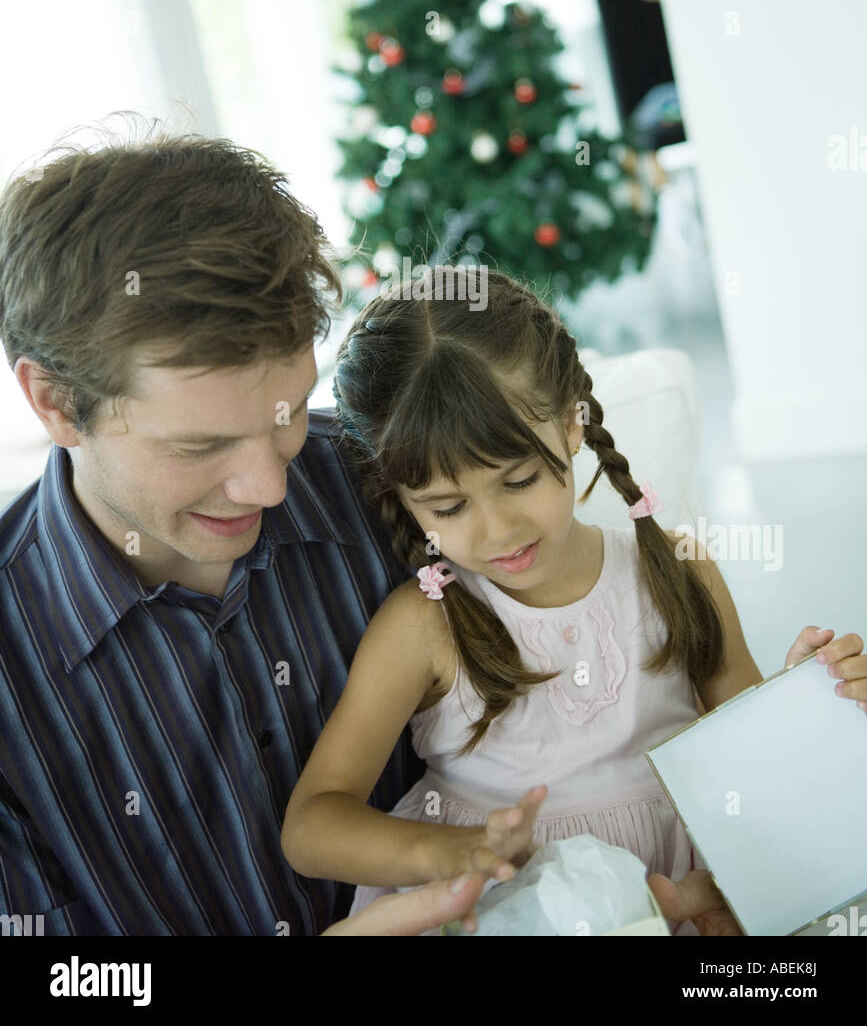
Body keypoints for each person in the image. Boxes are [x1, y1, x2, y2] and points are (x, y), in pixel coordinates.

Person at [0, 124, 856, 937]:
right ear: (53, 402)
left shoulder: (391, 470)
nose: (270, 484)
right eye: (200, 445)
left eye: (289, 414)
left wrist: (794, 724)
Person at [282, 270, 866, 937]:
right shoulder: (424, 625)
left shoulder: (676, 572)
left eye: (518, 481)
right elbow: (312, 824)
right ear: (400, 491)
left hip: (678, 900)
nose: (497, 529)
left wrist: (800, 705)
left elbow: (753, 759)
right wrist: (447, 852)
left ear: (569, 423)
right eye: (448, 507)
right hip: (517, 911)